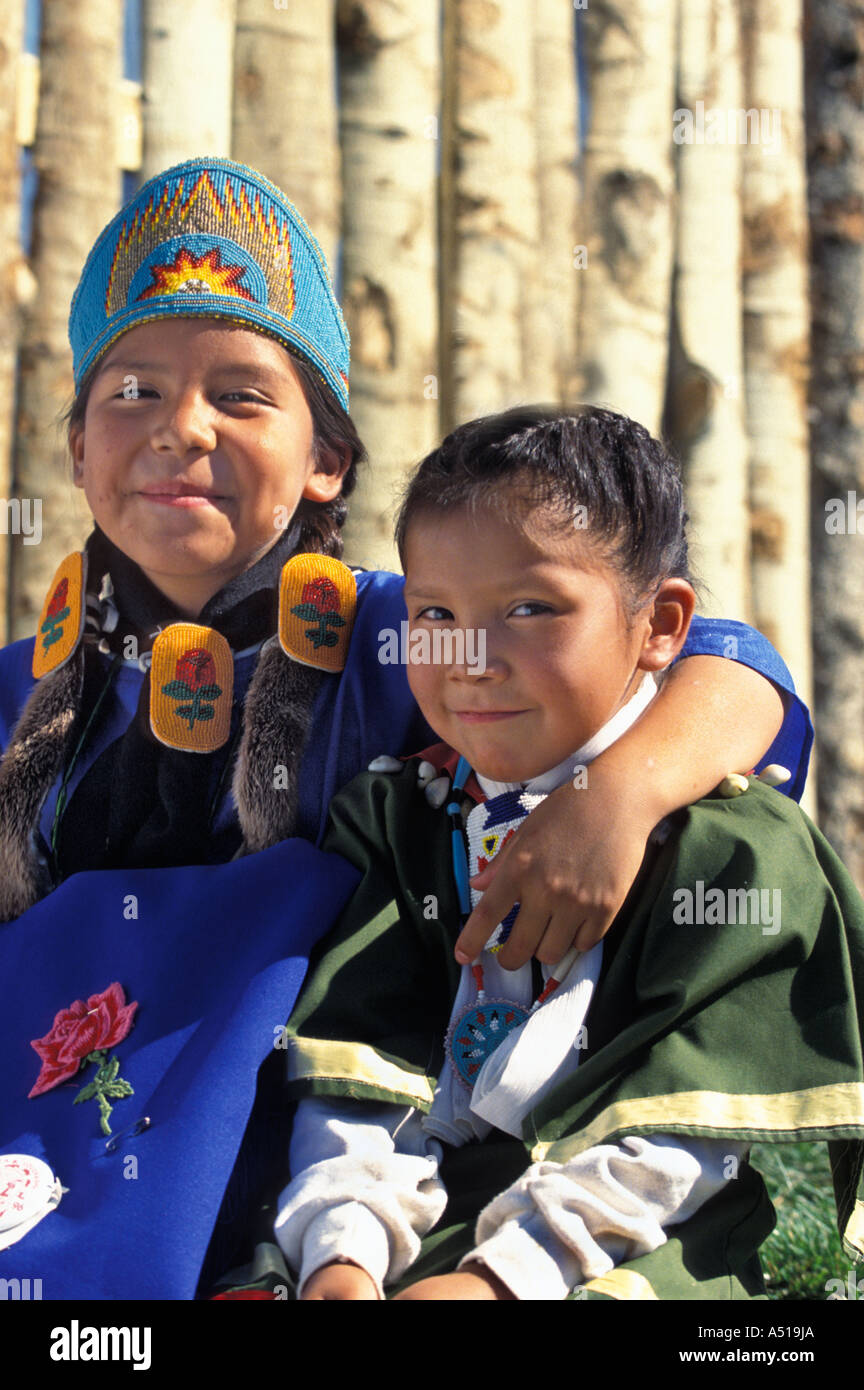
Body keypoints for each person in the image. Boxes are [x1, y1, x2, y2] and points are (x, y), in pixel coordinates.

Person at [0, 158, 812, 1300]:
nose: (180, 428)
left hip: (339, 1170)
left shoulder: (417, 636)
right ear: (79, 448)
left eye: (240, 395)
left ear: (327, 457)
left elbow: (738, 668)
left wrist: (614, 795)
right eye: (131, 391)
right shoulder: (18, 698)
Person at [269, 408, 864, 1302]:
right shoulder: (403, 815)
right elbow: (365, 1058)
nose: (471, 656)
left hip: (629, 1242)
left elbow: (679, 1140)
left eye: (529, 609)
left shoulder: (731, 851)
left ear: (660, 623)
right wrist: (342, 1250)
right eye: (436, 613)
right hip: (427, 1221)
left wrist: (504, 1280)